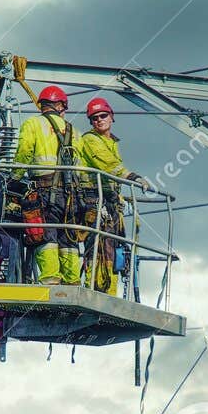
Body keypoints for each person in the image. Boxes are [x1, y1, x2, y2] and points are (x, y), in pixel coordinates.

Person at [76, 97, 152, 296]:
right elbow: (109, 165)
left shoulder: (111, 142)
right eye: (94, 118)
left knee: (113, 249)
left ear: (111, 117)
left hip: (109, 203)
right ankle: (94, 290)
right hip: (94, 200)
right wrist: (134, 177)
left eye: (103, 115)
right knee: (98, 249)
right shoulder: (90, 139)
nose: (99, 120)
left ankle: (109, 292)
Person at [12, 85, 84, 285]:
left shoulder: (33, 124)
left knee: (46, 235)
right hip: (72, 194)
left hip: (45, 190)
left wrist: (14, 179)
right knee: (68, 237)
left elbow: (25, 152)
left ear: (42, 105)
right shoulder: (75, 132)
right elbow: (81, 166)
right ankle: (72, 281)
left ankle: (51, 279)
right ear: (61, 105)